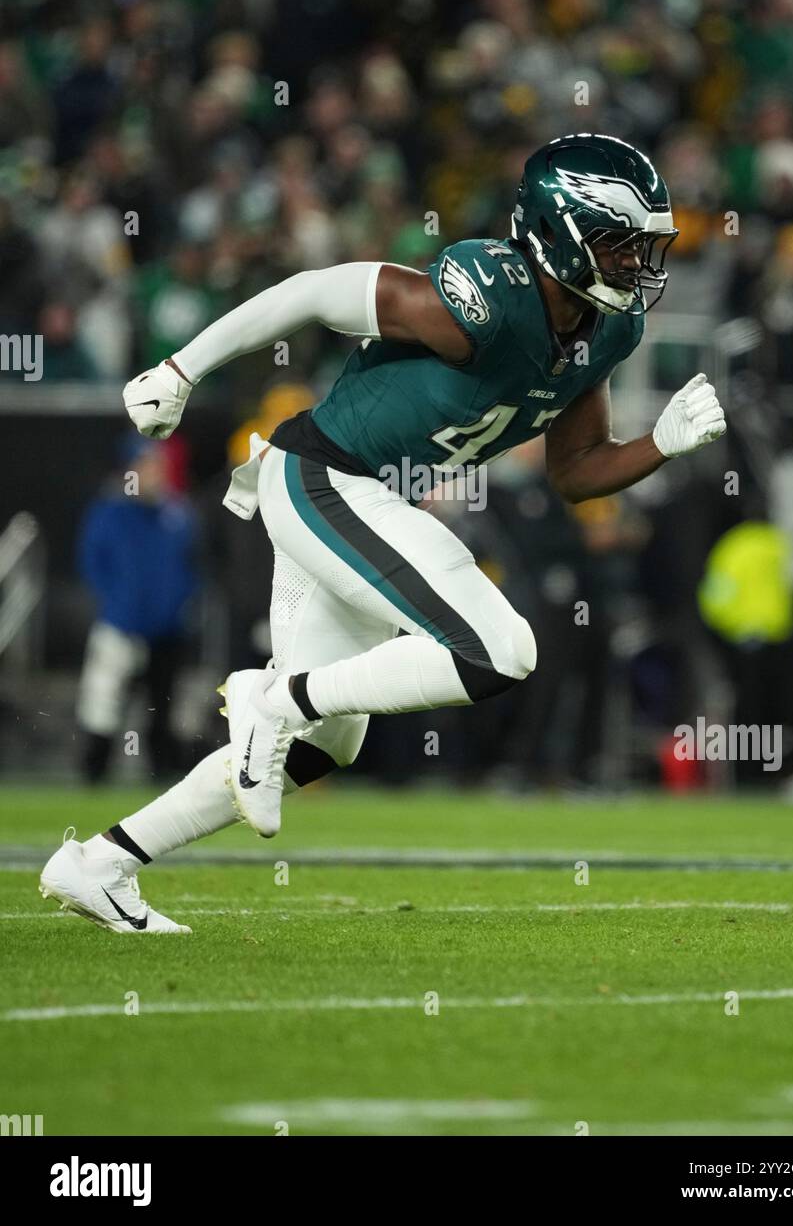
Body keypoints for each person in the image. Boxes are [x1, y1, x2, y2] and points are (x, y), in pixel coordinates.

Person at [40, 132, 726, 933]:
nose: (637, 264)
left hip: (370, 502)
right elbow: (313, 290)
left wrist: (661, 446)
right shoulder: (487, 298)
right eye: (619, 244)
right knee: (499, 648)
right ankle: (274, 698)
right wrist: (182, 368)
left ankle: (100, 863)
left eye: (644, 245)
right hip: (324, 478)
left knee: (323, 747)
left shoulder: (607, 330)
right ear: (559, 233)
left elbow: (575, 472)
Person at [75, 434, 199, 784]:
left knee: (163, 708)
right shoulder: (110, 513)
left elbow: (192, 567)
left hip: (167, 631)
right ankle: (93, 774)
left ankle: (162, 779)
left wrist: (179, 605)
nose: (155, 473)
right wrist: (119, 605)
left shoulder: (176, 514)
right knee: (103, 703)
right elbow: (92, 564)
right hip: (120, 626)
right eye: (147, 465)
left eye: (158, 466)